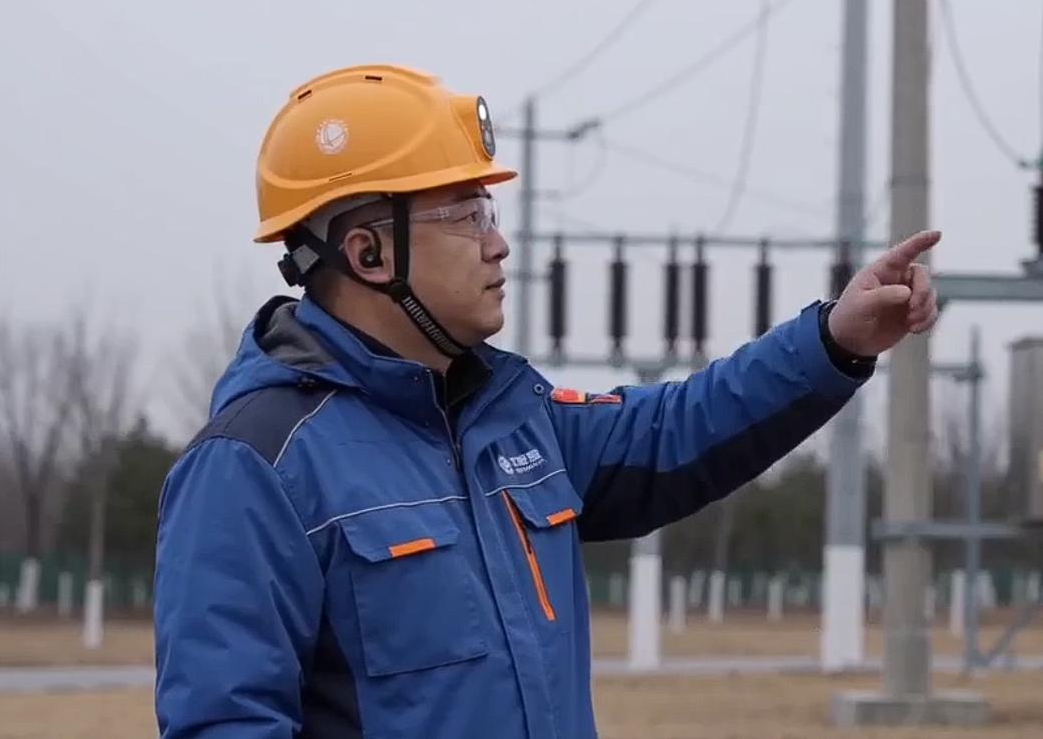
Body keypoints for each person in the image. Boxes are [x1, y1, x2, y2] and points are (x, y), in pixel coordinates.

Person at [153, 64, 941, 739]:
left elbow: (676, 430)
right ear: (368, 252)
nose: (498, 244)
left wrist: (833, 341)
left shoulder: (512, 419)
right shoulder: (256, 465)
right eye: (465, 216)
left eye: (489, 214)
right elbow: (227, 721)